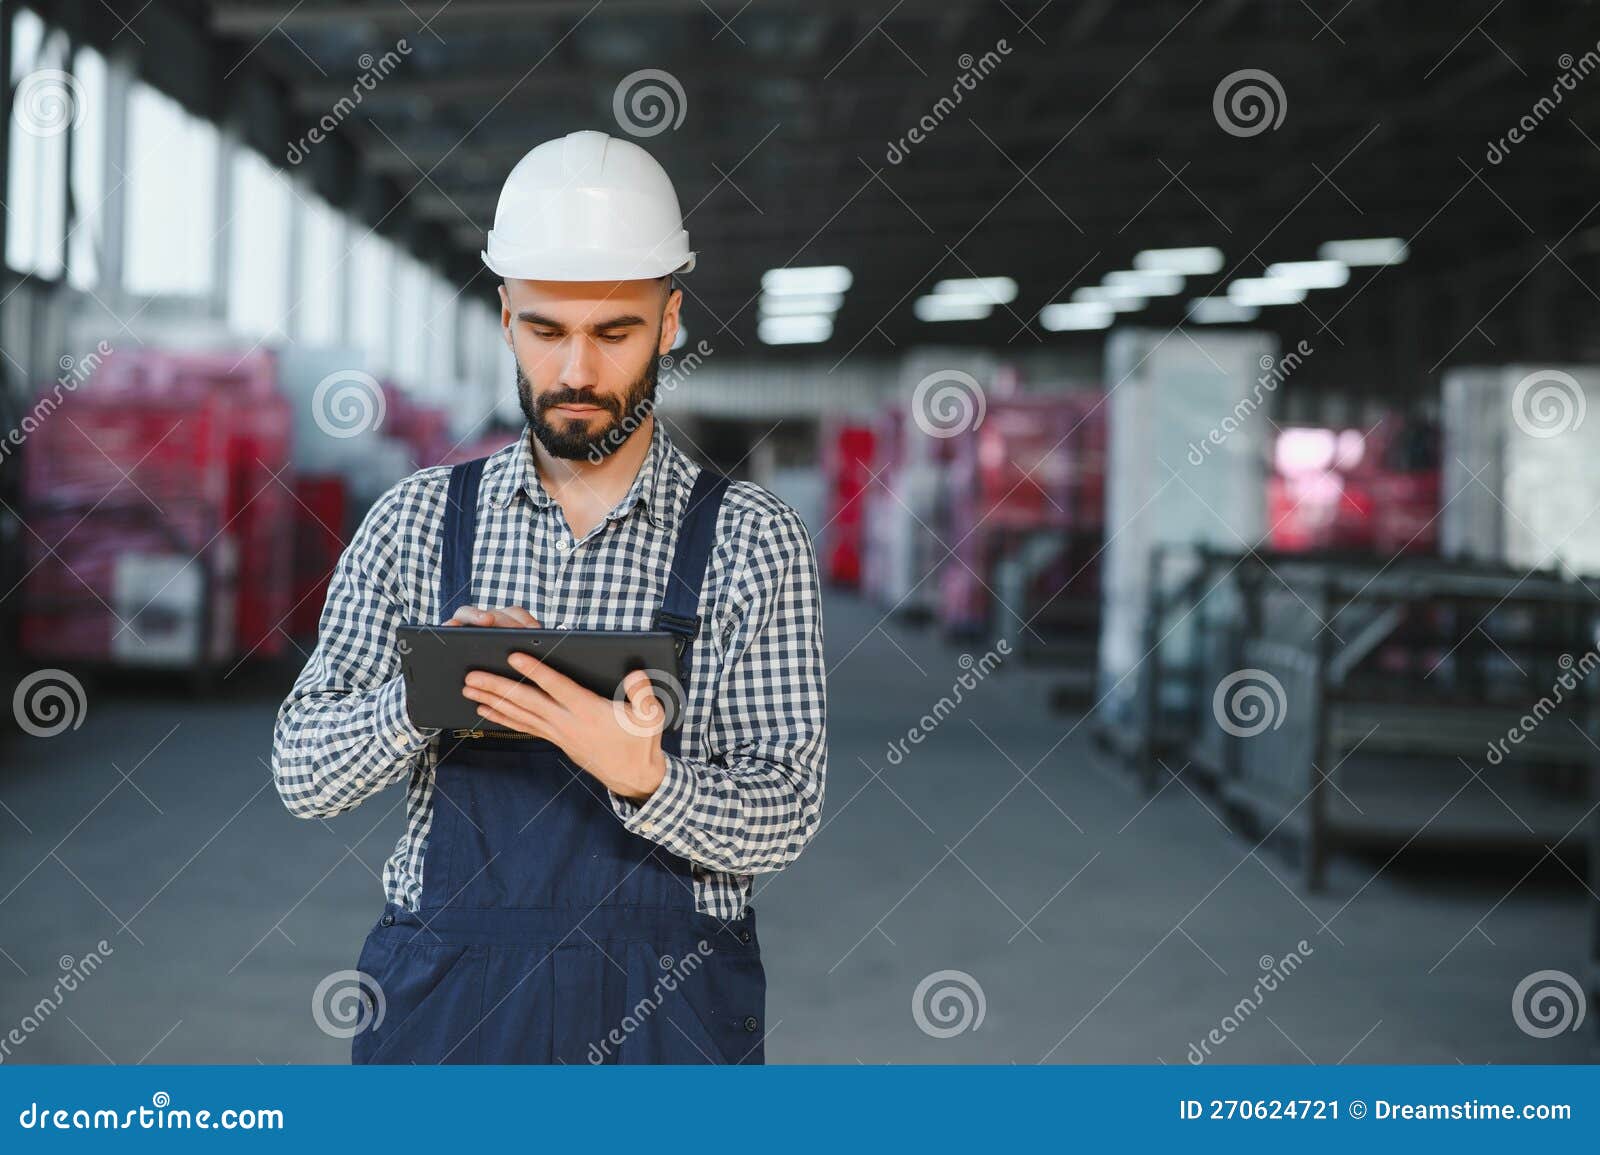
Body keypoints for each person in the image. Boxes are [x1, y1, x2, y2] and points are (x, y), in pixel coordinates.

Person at [271, 130, 827, 1065]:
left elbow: (785, 811)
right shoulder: (416, 523)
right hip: (450, 1005)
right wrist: (418, 697)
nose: (575, 372)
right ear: (503, 317)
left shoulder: (751, 540)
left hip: (669, 1010)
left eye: (614, 333)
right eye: (545, 329)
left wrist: (647, 776)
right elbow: (301, 773)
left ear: (671, 319)